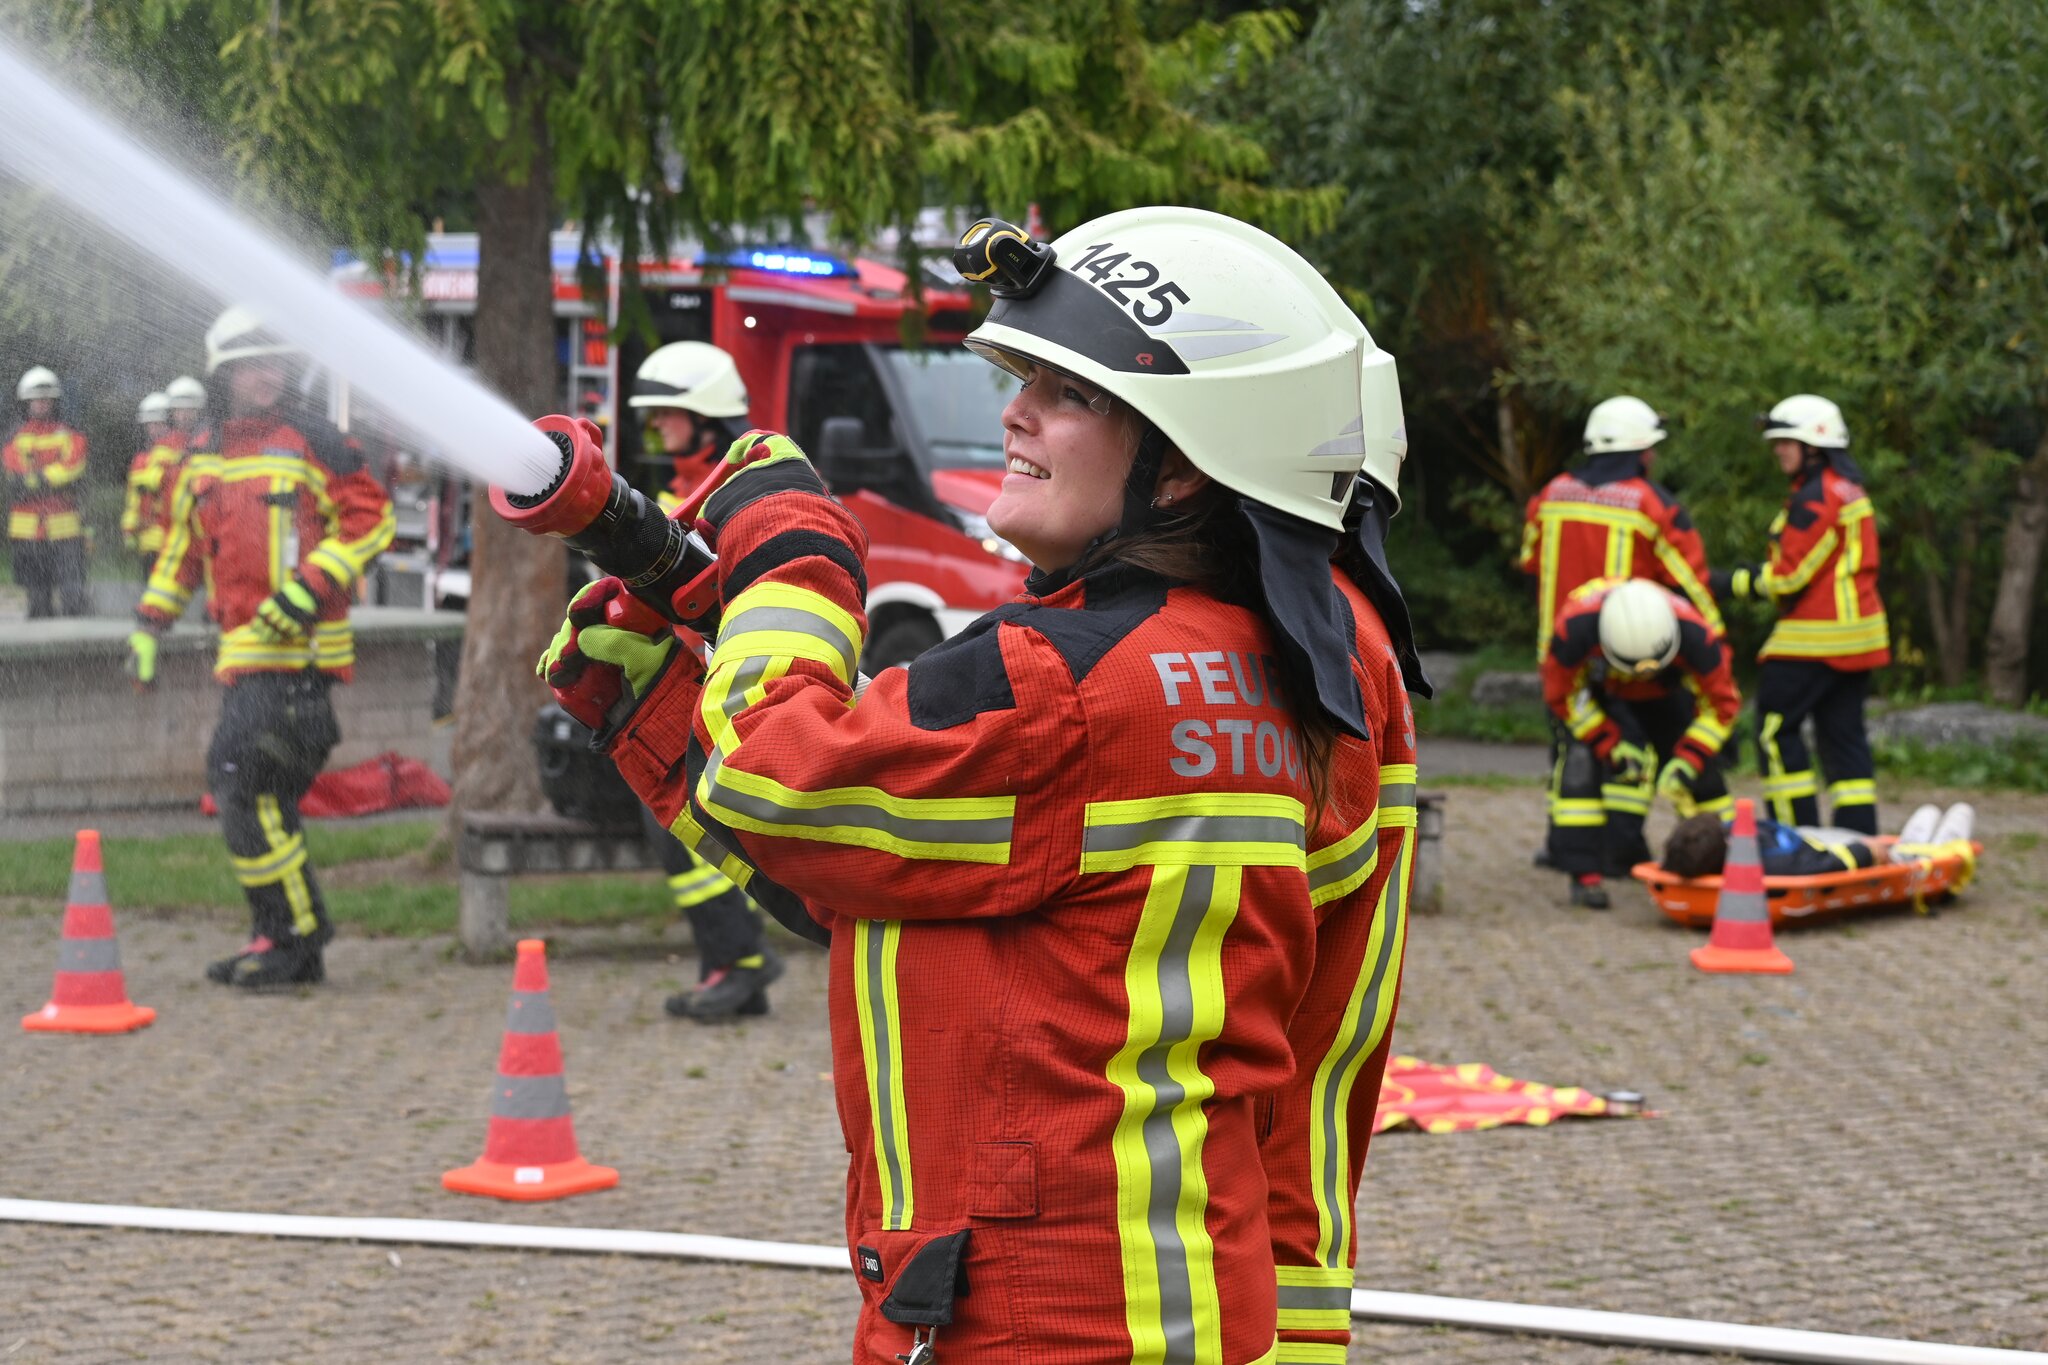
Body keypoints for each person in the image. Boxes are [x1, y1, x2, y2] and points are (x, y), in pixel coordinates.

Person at [541, 207, 1415, 1362]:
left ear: (1193, 456)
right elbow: (905, 875)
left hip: (1024, 1321)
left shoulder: (1066, 678)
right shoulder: (1337, 663)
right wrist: (666, 706)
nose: (1015, 413)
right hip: (1212, 1316)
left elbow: (777, 777)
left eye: (1072, 392)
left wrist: (791, 560)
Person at [129, 307, 394, 988]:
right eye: (251, 365)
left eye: (275, 361)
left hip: (301, 662)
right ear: (225, 375)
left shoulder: (314, 439)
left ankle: (294, 939)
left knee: (245, 786)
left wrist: (309, 588)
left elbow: (372, 519)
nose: (265, 374)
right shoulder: (203, 454)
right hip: (244, 661)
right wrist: (149, 624)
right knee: (254, 795)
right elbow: (181, 552)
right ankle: (283, 934)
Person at [626, 341, 784, 1020]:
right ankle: (731, 961)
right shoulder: (675, 493)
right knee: (680, 833)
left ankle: (741, 960)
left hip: (722, 692)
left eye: (669, 412)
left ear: (707, 418)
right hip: (677, 688)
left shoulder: (733, 492)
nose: (656, 425)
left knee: (693, 832)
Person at [1713, 394, 1887, 835]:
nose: (1778, 450)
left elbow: (1789, 578)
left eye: (1787, 441)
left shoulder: (1817, 498)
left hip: (1815, 639)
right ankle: (1857, 837)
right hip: (1859, 639)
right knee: (1843, 736)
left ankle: (1798, 838)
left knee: (1774, 733)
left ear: (1815, 445)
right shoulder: (1847, 490)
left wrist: (1723, 582)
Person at [1542, 577, 1739, 908]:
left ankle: (1729, 864)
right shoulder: (1574, 632)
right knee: (1580, 768)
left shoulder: (1697, 637)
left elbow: (1723, 706)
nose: (1640, 675)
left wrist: (1689, 758)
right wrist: (1606, 740)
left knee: (1704, 779)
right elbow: (1563, 696)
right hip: (1600, 691)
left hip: (1668, 692)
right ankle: (1585, 875)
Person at [1518, 394, 1722, 662]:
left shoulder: (1549, 497)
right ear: (1641, 452)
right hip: (1630, 662)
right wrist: (1714, 645)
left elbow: (1530, 570)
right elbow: (1691, 588)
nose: (1653, 456)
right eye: (1650, 448)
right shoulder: (1653, 506)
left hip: (1561, 660)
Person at [1661, 802, 1975, 879]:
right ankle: (1923, 852)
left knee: (1928, 813)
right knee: (1960, 813)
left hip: (1810, 839)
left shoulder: (1729, 836)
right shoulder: (1776, 865)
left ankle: (1909, 843)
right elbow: (1825, 865)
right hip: (1825, 850)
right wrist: (1866, 852)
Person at [3, 365, 90, 618]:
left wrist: (37, 478)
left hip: (65, 528)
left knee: (73, 595)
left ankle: (77, 647)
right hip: (27, 530)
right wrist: (52, 478)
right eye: (36, 400)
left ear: (54, 401)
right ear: (25, 402)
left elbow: (73, 467)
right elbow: (15, 472)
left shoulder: (71, 435)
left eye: (46, 399)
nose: (41, 404)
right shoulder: (14, 437)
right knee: (37, 600)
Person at [120, 391, 178, 578]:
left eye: (158, 423)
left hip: (171, 536)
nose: (153, 429)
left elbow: (166, 481)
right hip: (147, 538)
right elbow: (133, 499)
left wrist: (150, 482)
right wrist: (129, 529)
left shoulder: (179, 452)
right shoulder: (140, 459)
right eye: (149, 424)